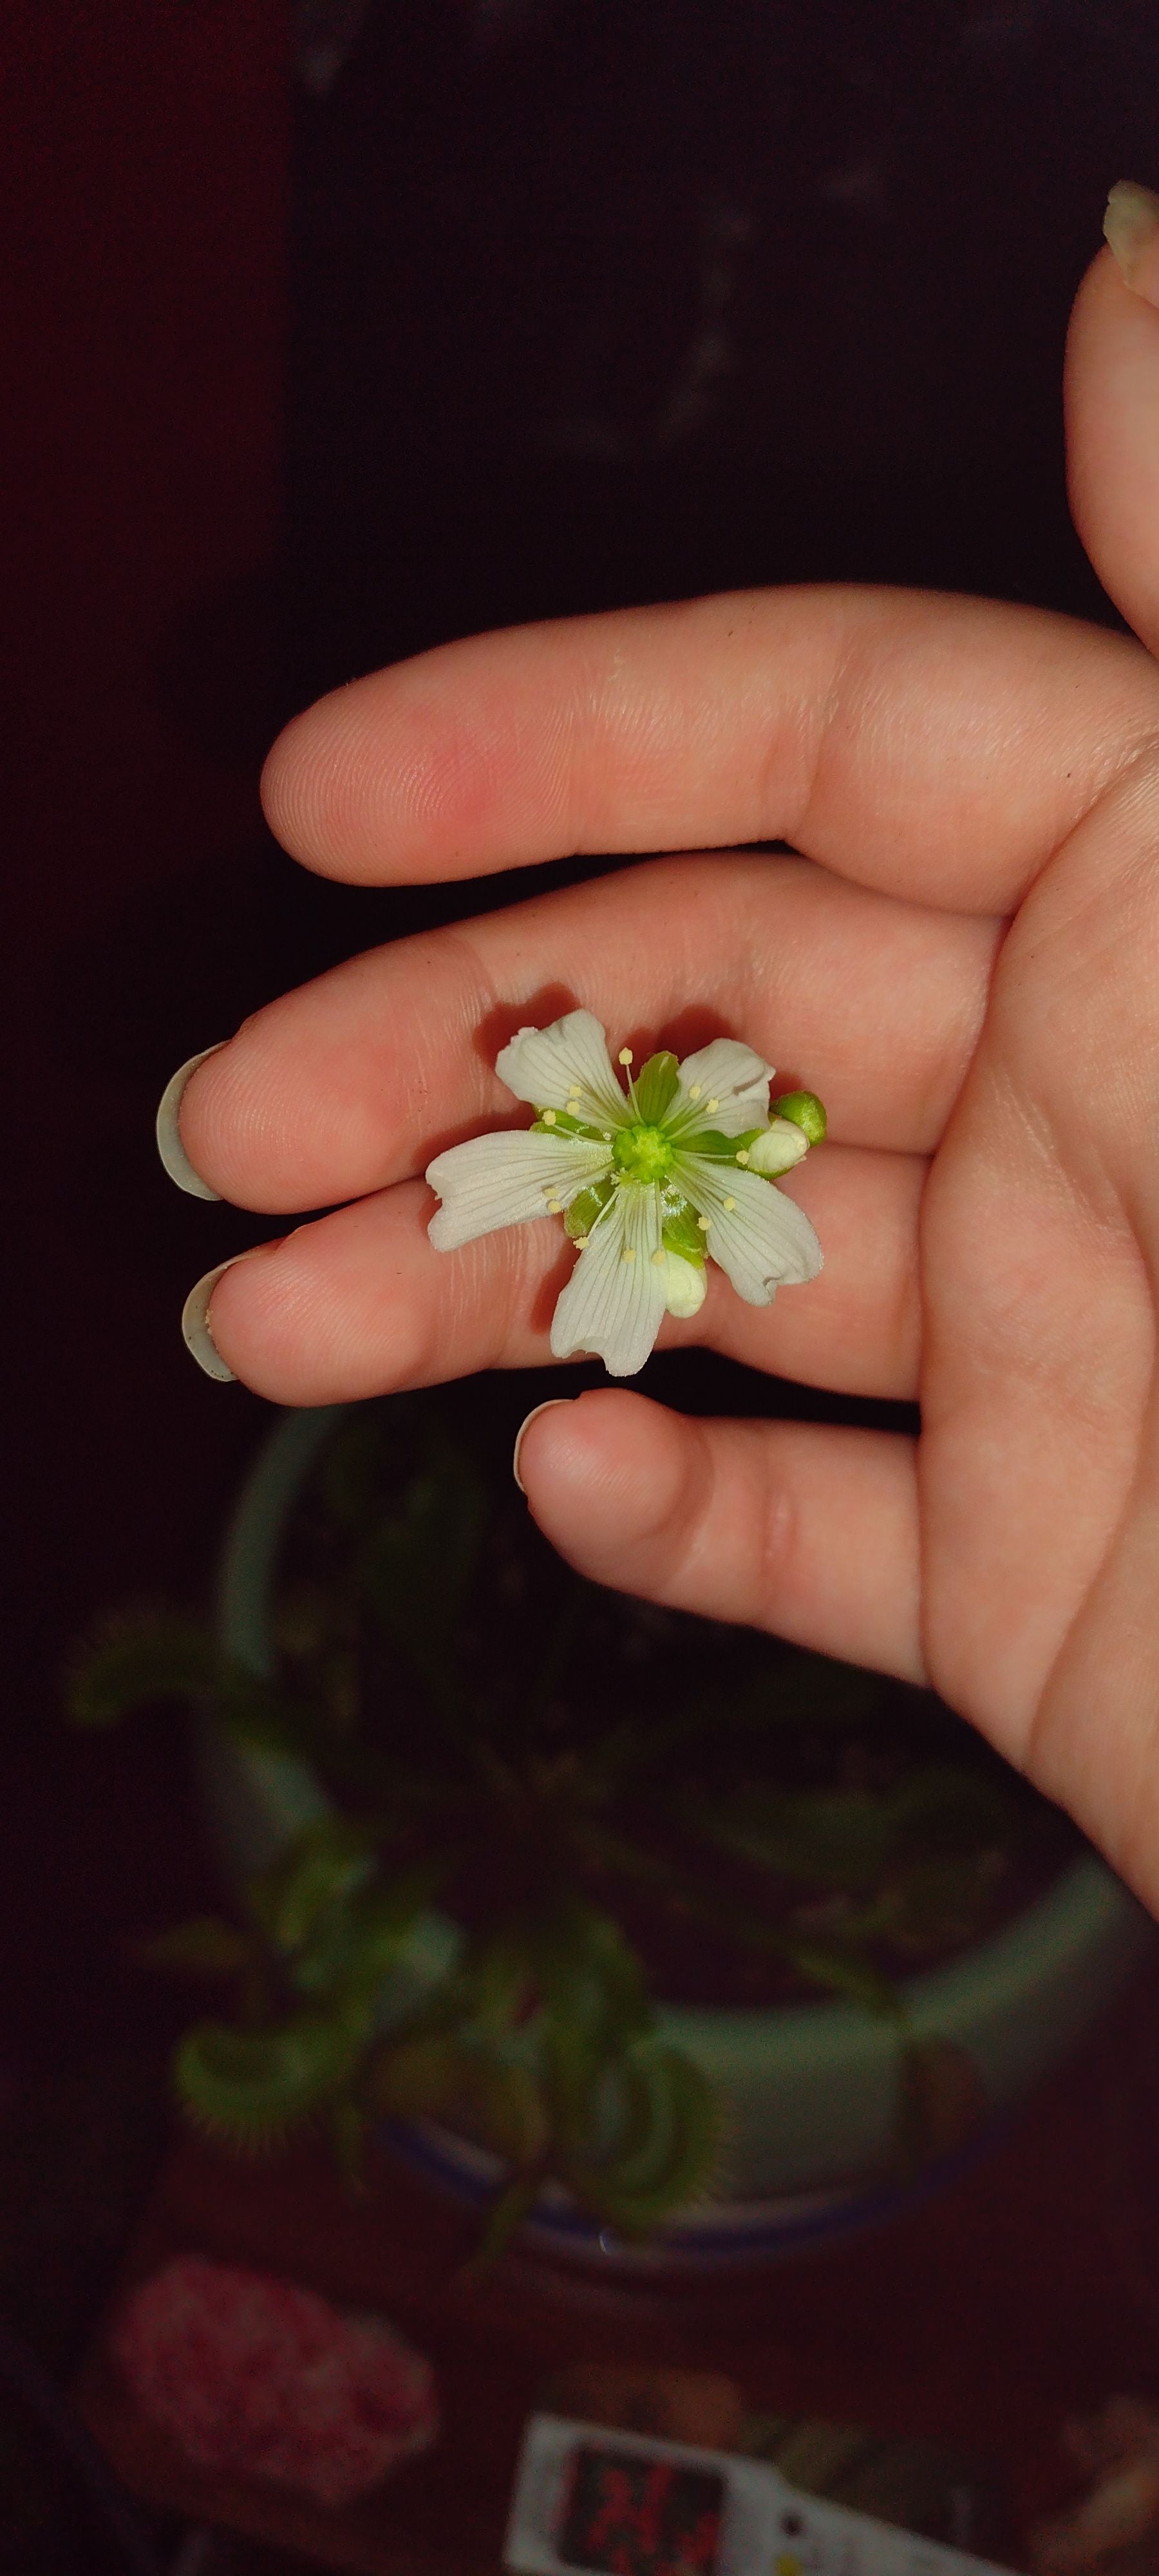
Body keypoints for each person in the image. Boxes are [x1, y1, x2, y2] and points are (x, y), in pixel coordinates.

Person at [159, 187, 1159, 1916]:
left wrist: (671, 1142)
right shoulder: (664, 1143)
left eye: (644, 1153)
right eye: (636, 1155)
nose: (631, 1161)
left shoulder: (684, 1134)